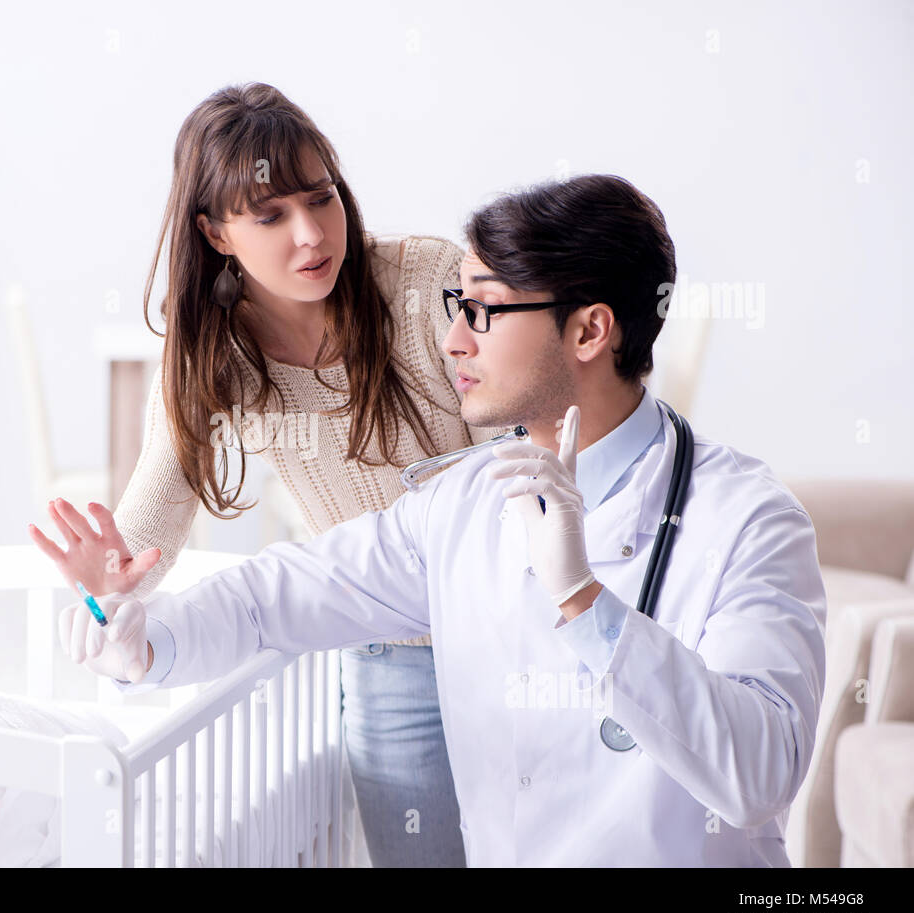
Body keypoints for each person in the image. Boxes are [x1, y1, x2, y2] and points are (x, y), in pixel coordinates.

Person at [58, 173, 828, 867]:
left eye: (485, 310)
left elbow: (760, 775)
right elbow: (276, 595)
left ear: (590, 331)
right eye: (459, 303)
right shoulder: (459, 504)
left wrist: (585, 603)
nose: (454, 339)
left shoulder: (748, 520)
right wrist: (145, 638)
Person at [31, 83, 510, 867]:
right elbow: (155, 512)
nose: (312, 234)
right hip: (387, 651)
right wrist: (111, 587)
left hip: (504, 628)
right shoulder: (210, 353)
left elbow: (514, 459)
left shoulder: (426, 279)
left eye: (322, 199)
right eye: (270, 215)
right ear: (214, 232)